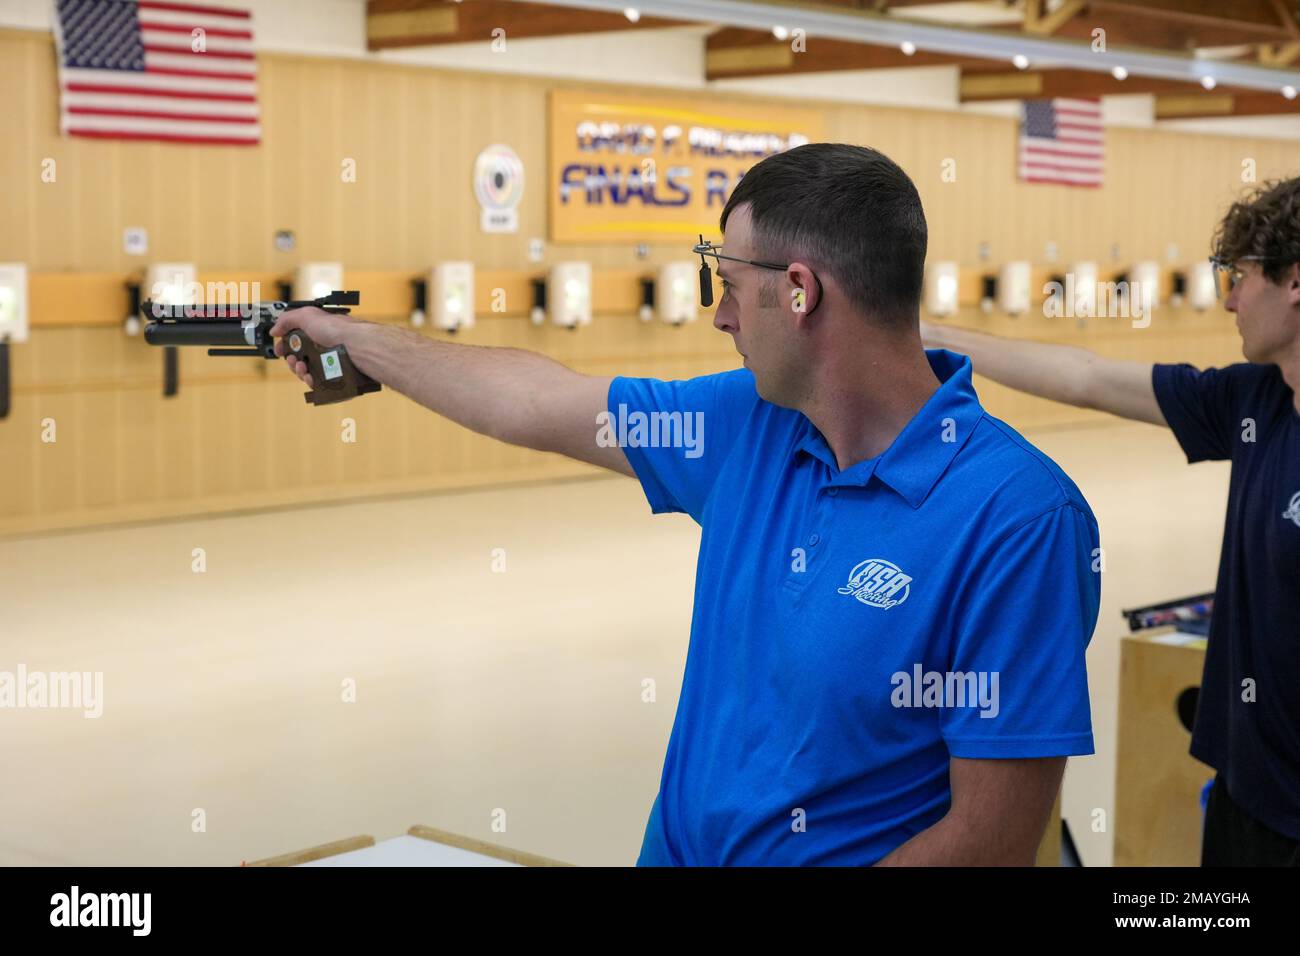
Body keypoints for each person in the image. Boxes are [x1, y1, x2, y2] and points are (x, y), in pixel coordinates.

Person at [272, 143, 1100, 866]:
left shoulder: (1019, 520)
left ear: (802, 291)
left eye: (731, 286)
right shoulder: (752, 423)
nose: (719, 316)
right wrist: (365, 343)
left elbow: (989, 845)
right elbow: (533, 401)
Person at [920, 176, 1300, 867]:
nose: (1229, 299)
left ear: (1294, 279)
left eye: (1240, 276)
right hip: (1247, 796)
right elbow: (1085, 377)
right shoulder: (1252, 401)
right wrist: (935, 334)